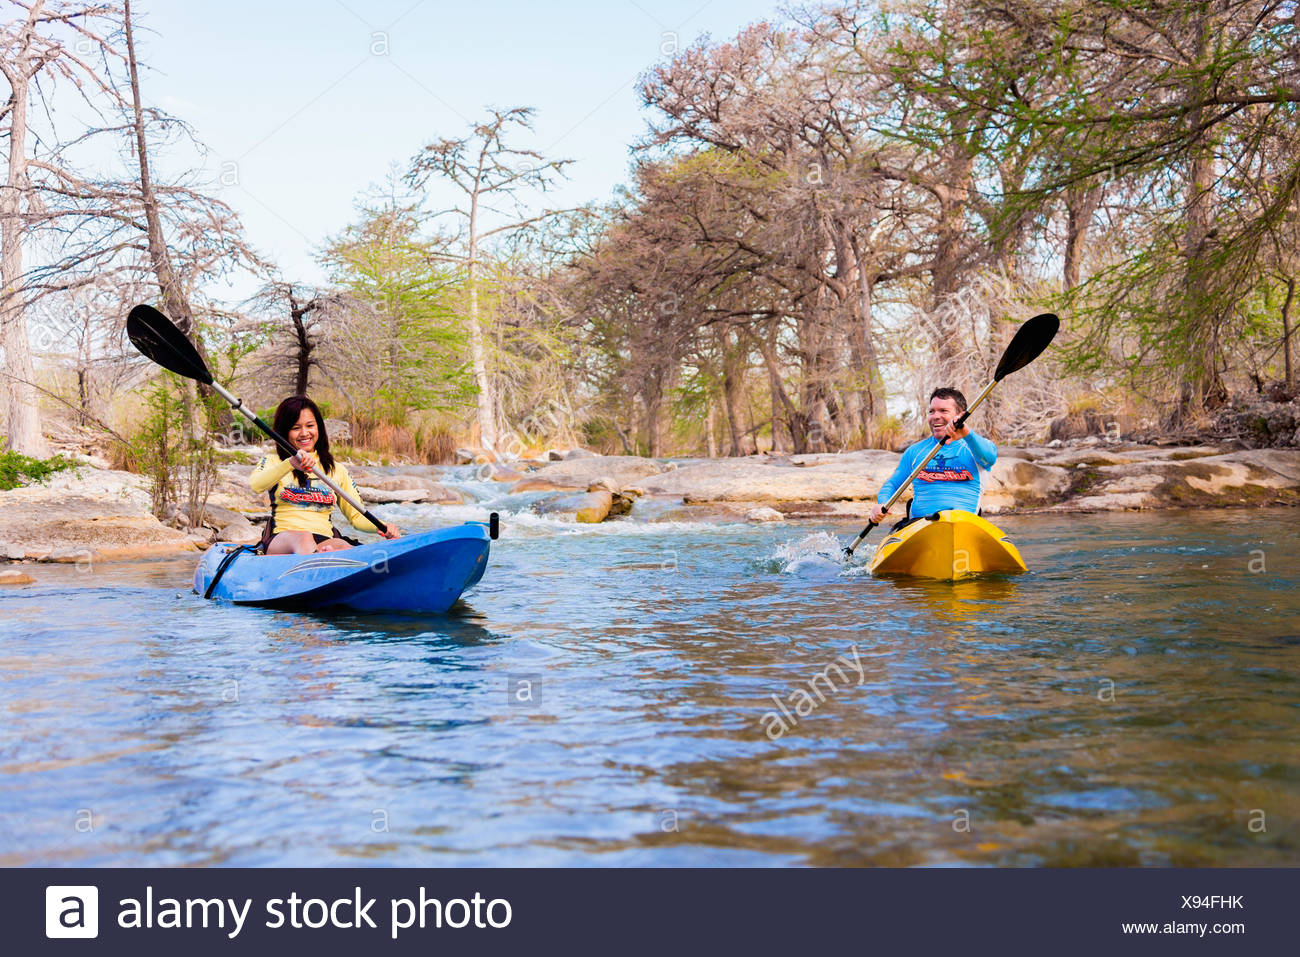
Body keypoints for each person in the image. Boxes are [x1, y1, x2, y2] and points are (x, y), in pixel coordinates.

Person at [250, 395, 401, 554]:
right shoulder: (274, 461)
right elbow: (256, 485)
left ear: (319, 428)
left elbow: (357, 517)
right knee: (304, 537)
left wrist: (383, 526)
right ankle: (316, 560)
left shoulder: (336, 469)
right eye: (296, 428)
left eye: (310, 425)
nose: (304, 433)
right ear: (284, 432)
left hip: (323, 541)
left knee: (341, 544)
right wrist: (290, 464)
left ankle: (322, 559)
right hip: (283, 540)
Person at [869, 387, 997, 528]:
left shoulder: (975, 447)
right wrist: (881, 503)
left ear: (960, 415)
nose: (935, 416)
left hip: (965, 526)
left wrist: (967, 433)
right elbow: (893, 484)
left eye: (943, 411)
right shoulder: (915, 451)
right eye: (931, 411)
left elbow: (989, 458)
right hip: (919, 528)